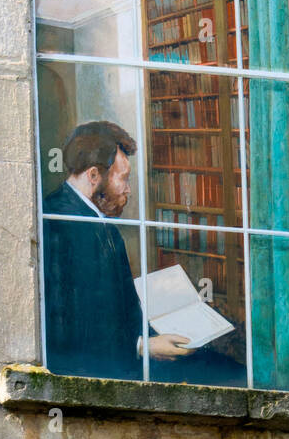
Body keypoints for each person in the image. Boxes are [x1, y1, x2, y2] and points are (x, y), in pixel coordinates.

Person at [42, 121, 193, 380]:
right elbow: (68, 332)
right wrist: (143, 346)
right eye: (123, 179)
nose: (128, 189)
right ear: (93, 176)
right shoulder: (58, 223)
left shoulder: (101, 223)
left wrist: (148, 337)